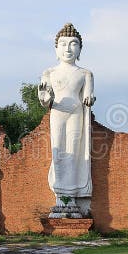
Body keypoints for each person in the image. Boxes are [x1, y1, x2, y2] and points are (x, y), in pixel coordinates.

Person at [38, 23, 95, 209]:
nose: (68, 48)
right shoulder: (49, 72)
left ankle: (72, 195)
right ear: (56, 49)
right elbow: (45, 100)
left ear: (79, 49)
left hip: (76, 112)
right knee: (59, 153)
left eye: (73, 44)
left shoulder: (86, 74)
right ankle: (60, 193)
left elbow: (88, 95)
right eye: (63, 44)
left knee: (74, 153)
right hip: (58, 111)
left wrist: (89, 97)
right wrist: (44, 97)